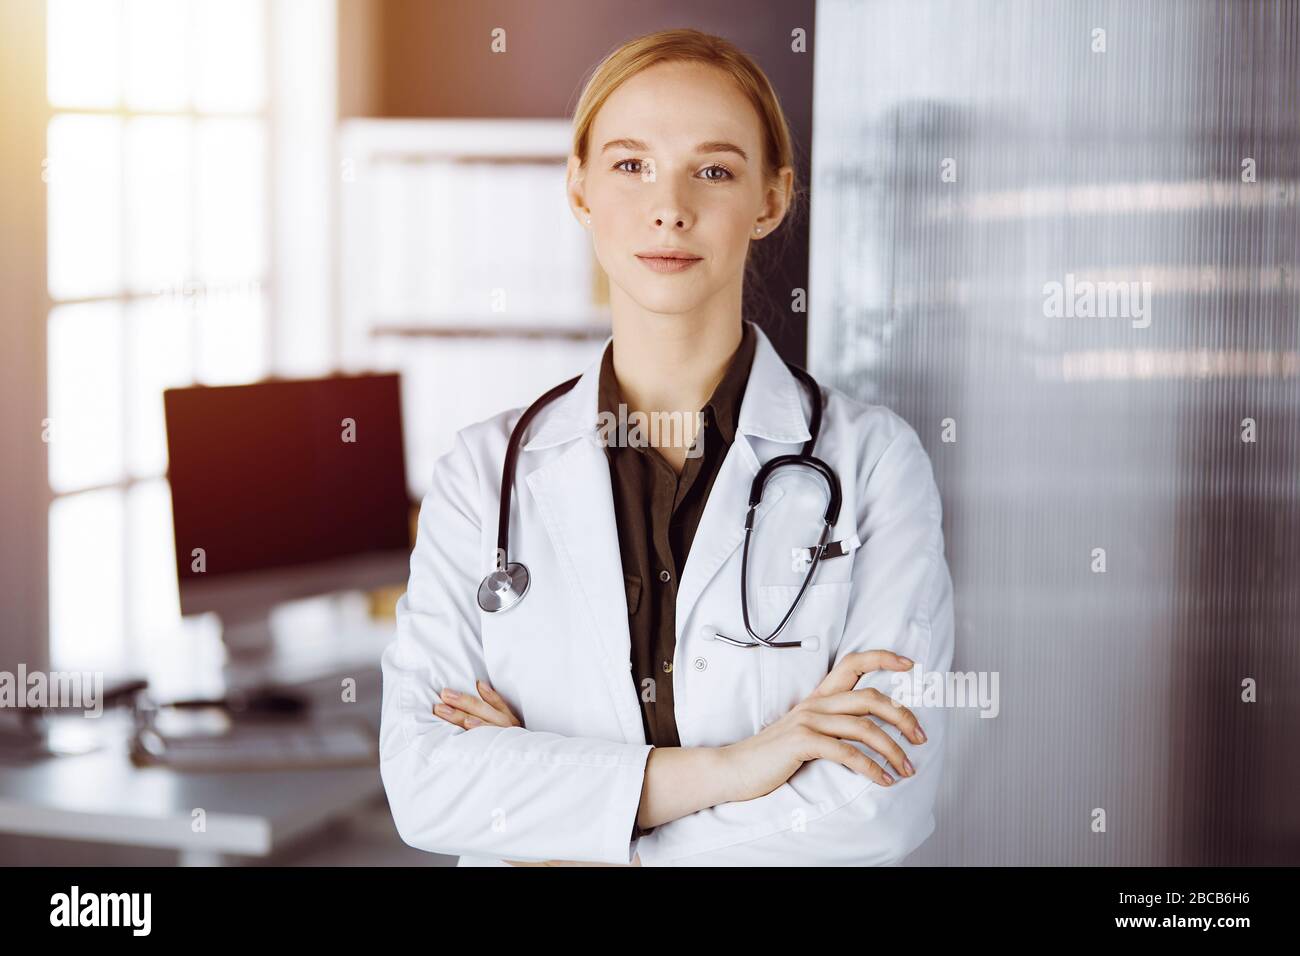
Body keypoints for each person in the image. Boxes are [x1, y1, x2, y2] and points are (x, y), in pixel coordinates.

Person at [378, 28, 954, 867]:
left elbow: (873, 807)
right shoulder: (481, 474)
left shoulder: (874, 465)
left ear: (771, 198)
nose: (670, 206)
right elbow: (428, 786)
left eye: (714, 170)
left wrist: (569, 835)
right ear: (578, 188)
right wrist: (738, 768)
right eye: (630, 164)